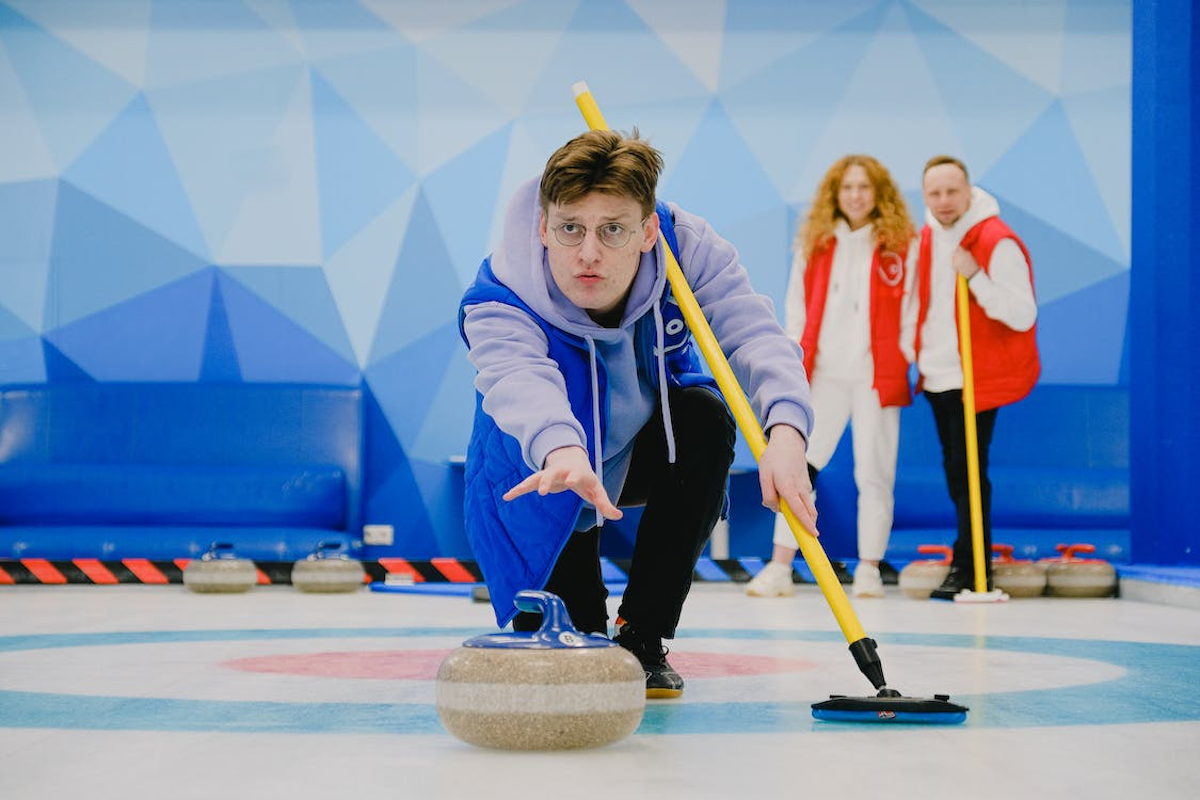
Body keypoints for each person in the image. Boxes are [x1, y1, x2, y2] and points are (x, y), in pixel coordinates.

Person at [457, 129, 819, 699]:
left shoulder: (686, 246)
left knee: (705, 416)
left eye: (614, 229)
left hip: (645, 446)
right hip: (546, 465)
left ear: (648, 231)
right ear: (542, 228)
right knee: (571, 655)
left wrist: (788, 434)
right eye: (570, 228)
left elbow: (753, 333)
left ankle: (643, 635)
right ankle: (576, 617)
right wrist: (563, 450)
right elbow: (519, 382)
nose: (589, 253)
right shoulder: (500, 296)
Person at [746, 155, 916, 600]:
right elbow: (796, 310)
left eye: (864, 187)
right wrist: (794, 365)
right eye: (848, 188)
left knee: (874, 473)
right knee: (798, 466)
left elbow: (914, 310)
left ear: (879, 193)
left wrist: (905, 353)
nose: (856, 195)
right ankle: (781, 565)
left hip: (877, 376)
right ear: (835, 195)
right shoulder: (816, 245)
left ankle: (869, 570)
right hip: (823, 374)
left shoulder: (900, 246)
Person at [914, 155, 1039, 598]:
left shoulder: (994, 240)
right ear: (925, 196)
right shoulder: (927, 236)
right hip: (936, 375)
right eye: (935, 193)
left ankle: (970, 567)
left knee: (970, 473)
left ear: (969, 191)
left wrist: (977, 277)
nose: (944, 201)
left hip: (973, 378)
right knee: (957, 473)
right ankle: (967, 560)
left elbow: (1023, 315)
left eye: (952, 191)